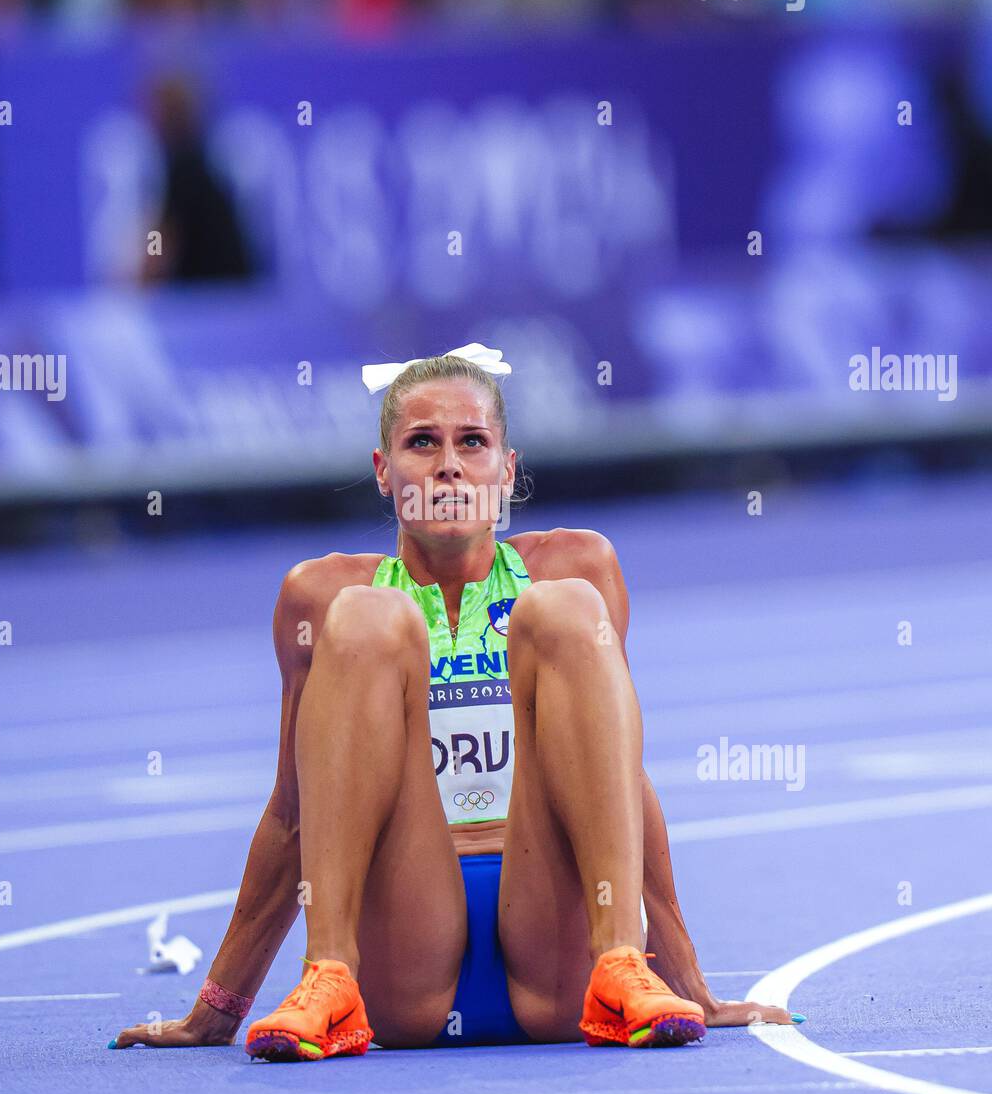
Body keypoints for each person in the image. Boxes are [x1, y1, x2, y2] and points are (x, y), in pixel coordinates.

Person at [114, 344, 797, 1058]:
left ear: (506, 469)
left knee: (562, 608)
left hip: (558, 942)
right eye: (421, 443)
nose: (448, 465)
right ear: (384, 471)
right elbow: (293, 813)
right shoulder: (318, 598)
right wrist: (217, 1009)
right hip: (405, 954)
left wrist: (690, 984)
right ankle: (329, 977)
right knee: (368, 616)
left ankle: (622, 964)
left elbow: (623, 783)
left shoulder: (578, 566)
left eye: (472, 442)